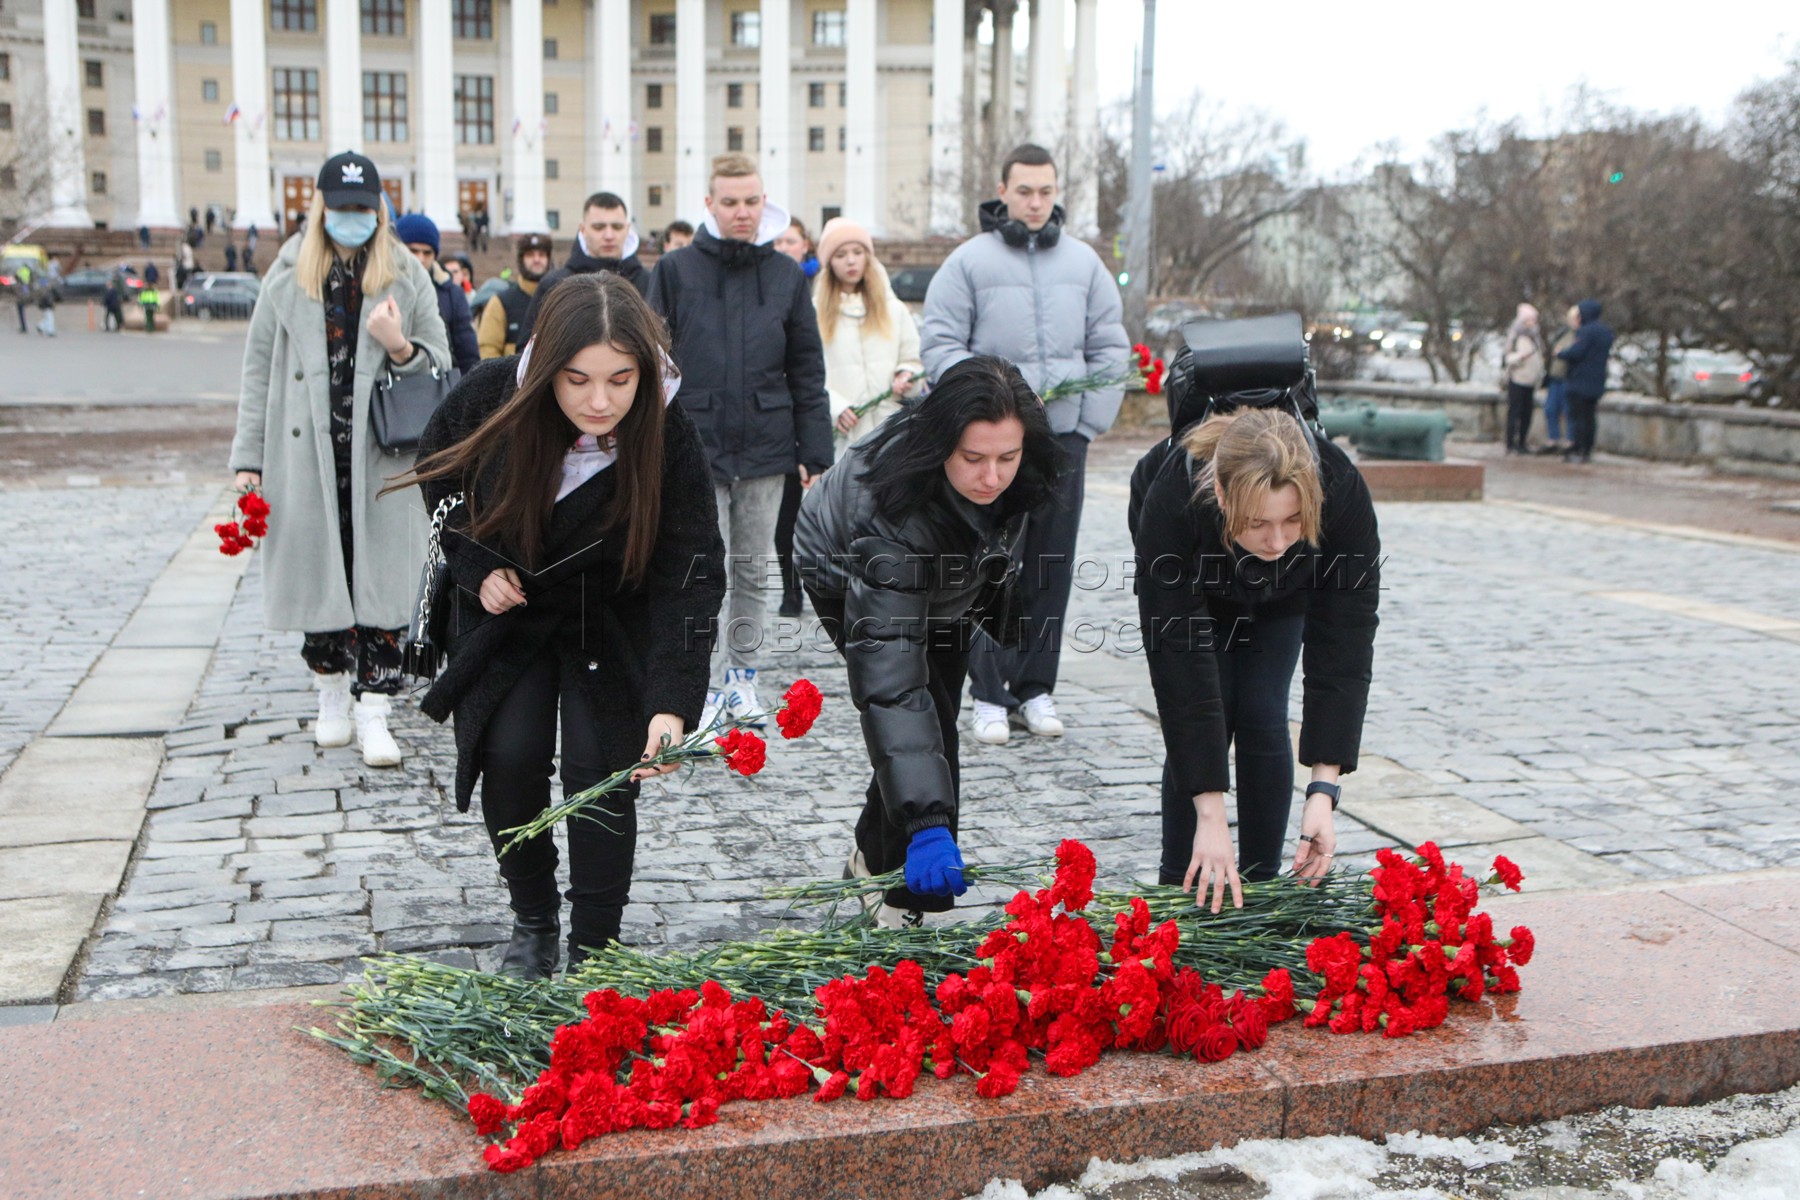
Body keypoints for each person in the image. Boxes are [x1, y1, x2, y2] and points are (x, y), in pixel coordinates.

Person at [400, 273, 726, 976]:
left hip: (610, 617)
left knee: (599, 769)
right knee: (510, 754)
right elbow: (438, 472)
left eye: (619, 379)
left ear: (645, 371)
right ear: (546, 366)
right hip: (510, 611)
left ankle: (595, 945)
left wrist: (672, 701)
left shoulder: (667, 432)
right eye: (576, 380)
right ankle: (535, 919)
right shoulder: (494, 393)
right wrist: (476, 565)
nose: (599, 401)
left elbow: (691, 573)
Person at [794, 356, 1062, 928]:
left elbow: (993, 533)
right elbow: (891, 685)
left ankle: (874, 863)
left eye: (1006, 458)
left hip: (946, 579)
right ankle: (902, 897)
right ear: (943, 444)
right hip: (844, 570)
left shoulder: (1021, 466)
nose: (992, 476)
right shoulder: (894, 510)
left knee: (927, 730)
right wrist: (928, 827)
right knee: (926, 716)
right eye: (974, 459)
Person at [229, 150, 452, 769]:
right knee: (320, 574)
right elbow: (256, 373)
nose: (351, 218)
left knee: (381, 585)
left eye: (363, 208)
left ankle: (375, 710)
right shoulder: (284, 277)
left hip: (381, 453)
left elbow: (441, 364)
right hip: (308, 456)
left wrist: (397, 344)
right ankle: (330, 692)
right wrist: (248, 460)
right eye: (341, 207)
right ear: (321, 208)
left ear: (378, 210)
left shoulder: (406, 274)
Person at [920, 142, 1129, 746]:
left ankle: (1036, 688)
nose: (1035, 203)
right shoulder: (968, 262)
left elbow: (1110, 347)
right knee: (991, 567)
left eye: (1045, 191)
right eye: (1024, 191)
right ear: (1003, 191)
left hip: (1063, 439)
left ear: (1056, 191)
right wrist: (982, 414)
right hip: (994, 445)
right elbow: (940, 344)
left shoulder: (1084, 263)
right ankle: (988, 694)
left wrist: (1088, 422)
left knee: (1050, 567)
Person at [1132, 405, 1380, 911]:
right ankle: (1180, 885)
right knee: (1214, 704)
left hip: (1288, 590)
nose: (1276, 540)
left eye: (1292, 519)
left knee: (1264, 709)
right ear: (1222, 496)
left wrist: (1322, 793)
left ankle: (1262, 891)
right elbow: (1181, 675)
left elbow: (1344, 646)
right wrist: (1211, 818)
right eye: (1258, 523)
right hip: (1200, 571)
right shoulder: (1172, 499)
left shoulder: (1342, 491)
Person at [647, 152, 833, 727]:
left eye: (752, 201)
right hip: (693, 444)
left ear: (764, 202)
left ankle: (742, 678)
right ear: (709, 204)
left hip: (764, 444)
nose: (743, 213)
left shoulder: (783, 275)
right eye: (730, 202)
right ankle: (695, 685)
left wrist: (816, 451)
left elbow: (807, 367)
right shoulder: (675, 271)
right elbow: (652, 360)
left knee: (753, 566)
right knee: (700, 568)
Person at [516, 191, 649, 347]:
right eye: (599, 227)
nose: (609, 235)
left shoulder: (649, 281)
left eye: (617, 227)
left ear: (627, 229)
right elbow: (527, 351)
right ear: (583, 229)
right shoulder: (554, 284)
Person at [395, 213, 480, 373]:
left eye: (427, 253)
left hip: (440, 385)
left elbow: (467, 353)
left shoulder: (452, 294)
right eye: (413, 251)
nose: (420, 259)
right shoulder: (381, 287)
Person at [1556, 298, 1615, 465]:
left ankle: (1579, 449)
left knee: (1578, 417)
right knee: (1589, 417)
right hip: (1596, 381)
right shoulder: (1605, 332)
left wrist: (1561, 353)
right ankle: (1587, 449)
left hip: (1580, 381)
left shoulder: (1585, 332)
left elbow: (1577, 352)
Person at [477, 233, 553, 359]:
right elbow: (488, 348)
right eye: (530, 255)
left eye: (542, 255)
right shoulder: (501, 302)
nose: (537, 260)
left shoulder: (558, 299)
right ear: (521, 259)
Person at [1501, 303, 1544, 454]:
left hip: (1531, 380)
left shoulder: (1535, 338)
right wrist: (1520, 357)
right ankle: (1510, 443)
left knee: (1527, 413)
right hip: (1517, 379)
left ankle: (1522, 442)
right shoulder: (1515, 337)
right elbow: (1507, 357)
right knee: (1515, 412)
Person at [1540, 305, 1578, 455]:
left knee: (1567, 411)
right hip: (1555, 377)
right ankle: (1553, 439)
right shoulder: (1564, 333)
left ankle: (1570, 440)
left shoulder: (1580, 335)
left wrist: (1562, 353)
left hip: (1567, 378)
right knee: (1550, 409)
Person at [12, 264, 31, 334]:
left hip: (20, 301)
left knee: (21, 314)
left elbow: (17, 293)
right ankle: (23, 326)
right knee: (21, 314)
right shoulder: (23, 285)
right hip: (22, 300)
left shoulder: (17, 285)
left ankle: (23, 327)